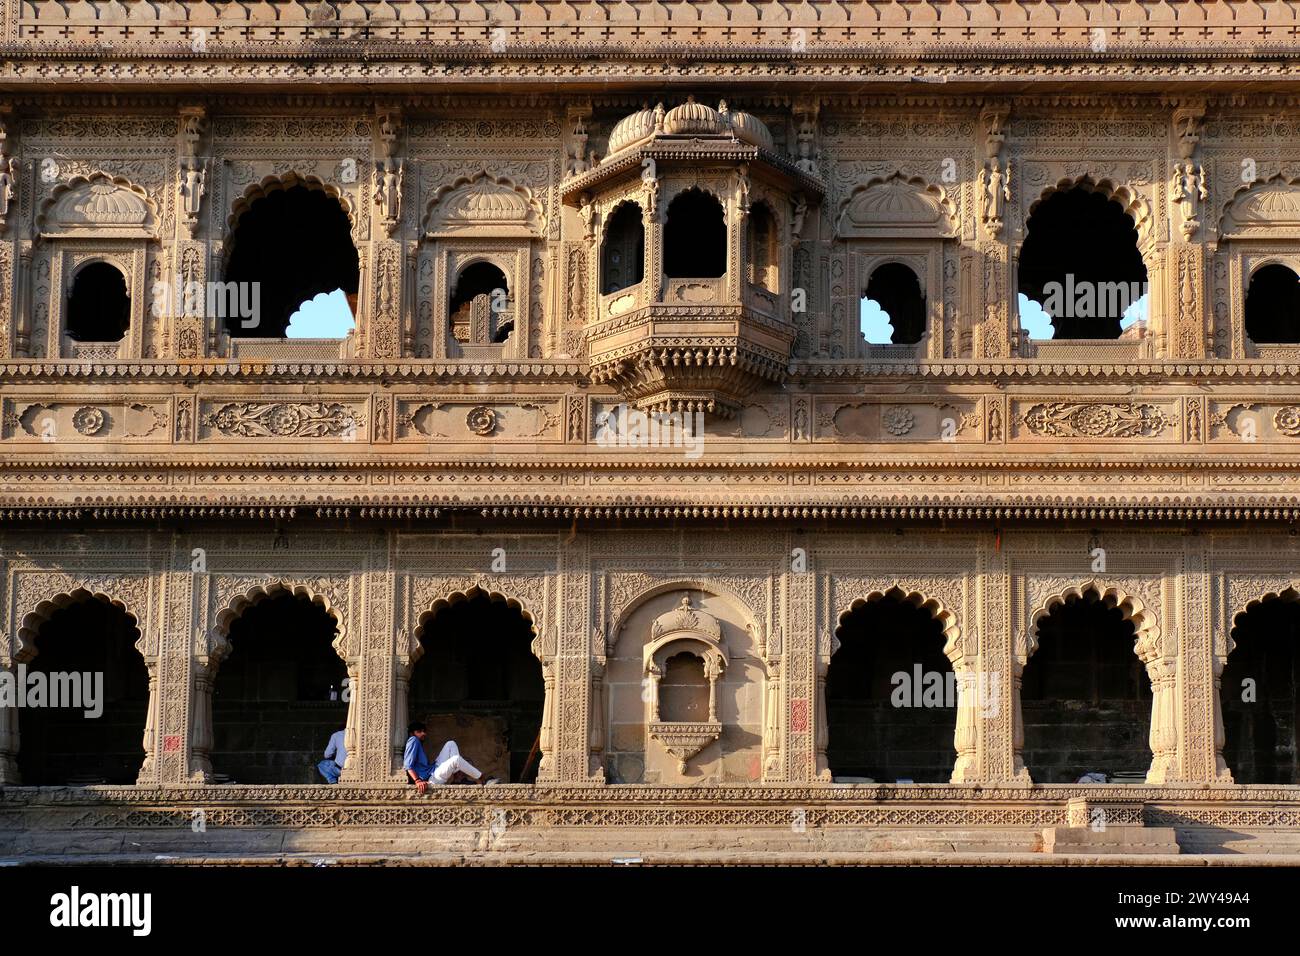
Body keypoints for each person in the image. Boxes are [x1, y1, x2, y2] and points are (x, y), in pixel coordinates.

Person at [403, 721, 497, 793]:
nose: (423, 734)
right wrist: (417, 781)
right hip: (431, 779)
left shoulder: (417, 742)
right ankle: (482, 778)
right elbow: (407, 765)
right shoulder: (413, 740)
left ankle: (457, 778)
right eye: (419, 731)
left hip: (433, 770)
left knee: (450, 744)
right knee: (456, 760)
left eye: (424, 731)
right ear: (412, 733)